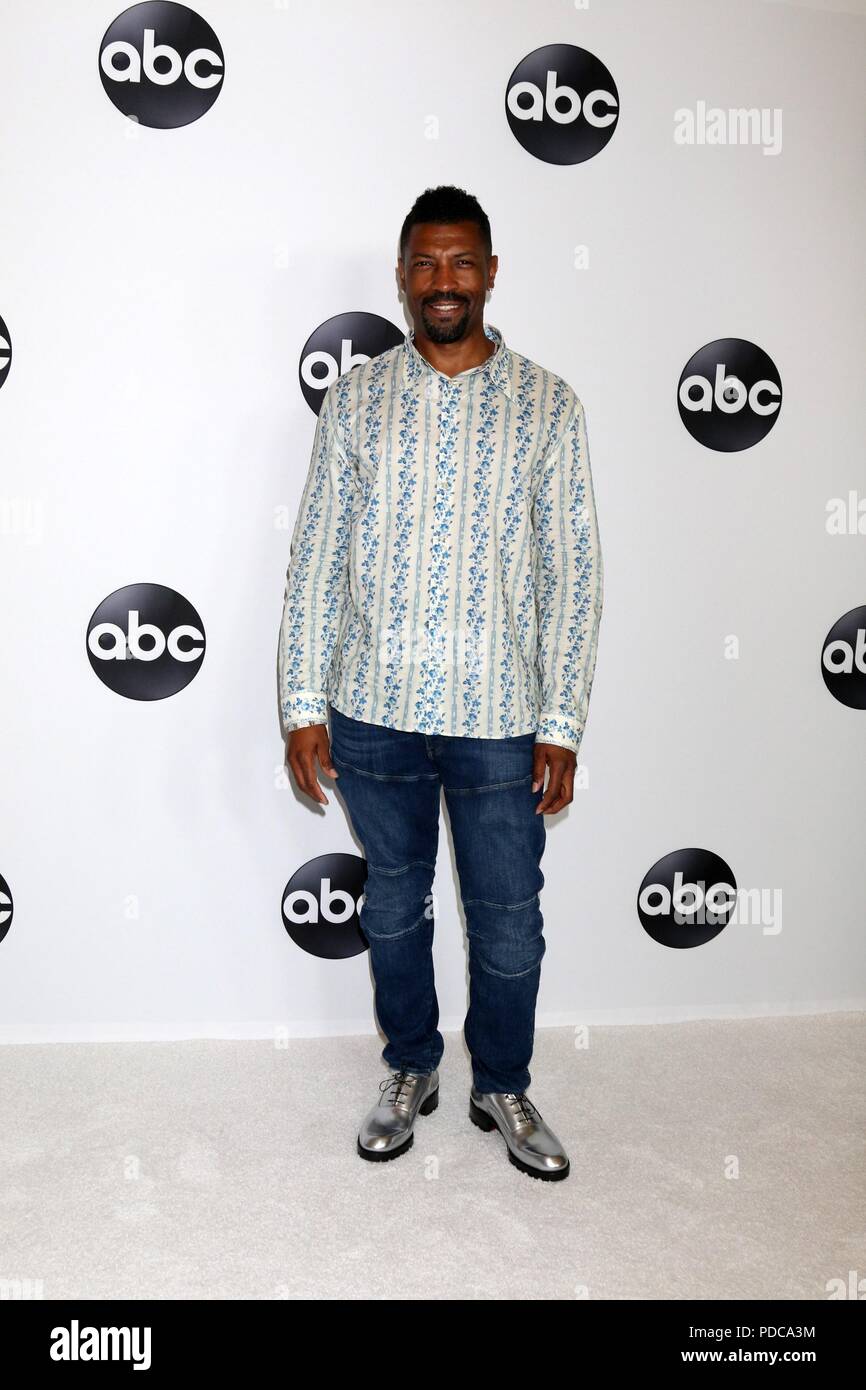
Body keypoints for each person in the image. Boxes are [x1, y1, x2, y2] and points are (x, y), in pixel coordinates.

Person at [278, 185, 603, 1181]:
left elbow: (575, 571)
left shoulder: (548, 402)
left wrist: (560, 719)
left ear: (491, 272)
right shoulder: (358, 398)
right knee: (391, 909)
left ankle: (499, 1079)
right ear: (402, 275)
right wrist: (300, 704)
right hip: (372, 712)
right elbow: (316, 559)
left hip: (502, 719)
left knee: (507, 918)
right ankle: (411, 1066)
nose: (442, 281)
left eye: (461, 262)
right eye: (424, 263)